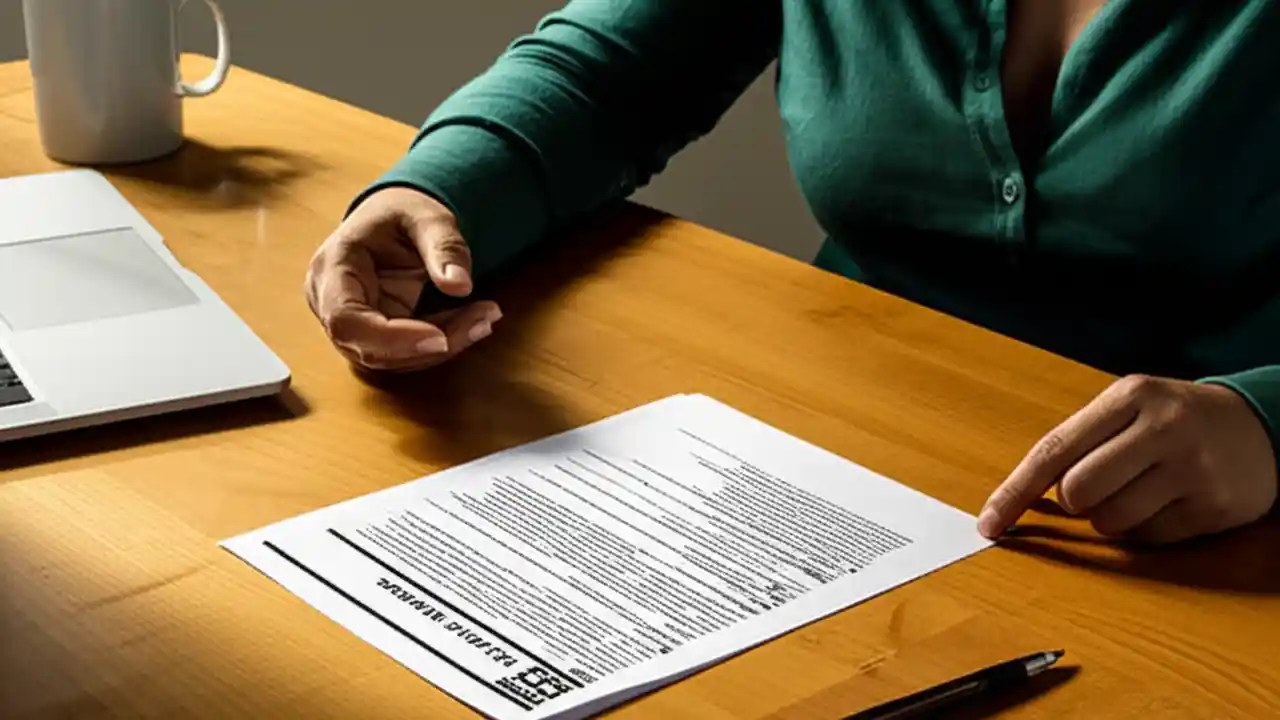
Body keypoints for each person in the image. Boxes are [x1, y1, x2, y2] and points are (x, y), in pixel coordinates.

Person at [304, 1, 1278, 545]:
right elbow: (608, 77)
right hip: (843, 481)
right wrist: (435, 195)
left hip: (1210, 552)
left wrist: (1268, 423)